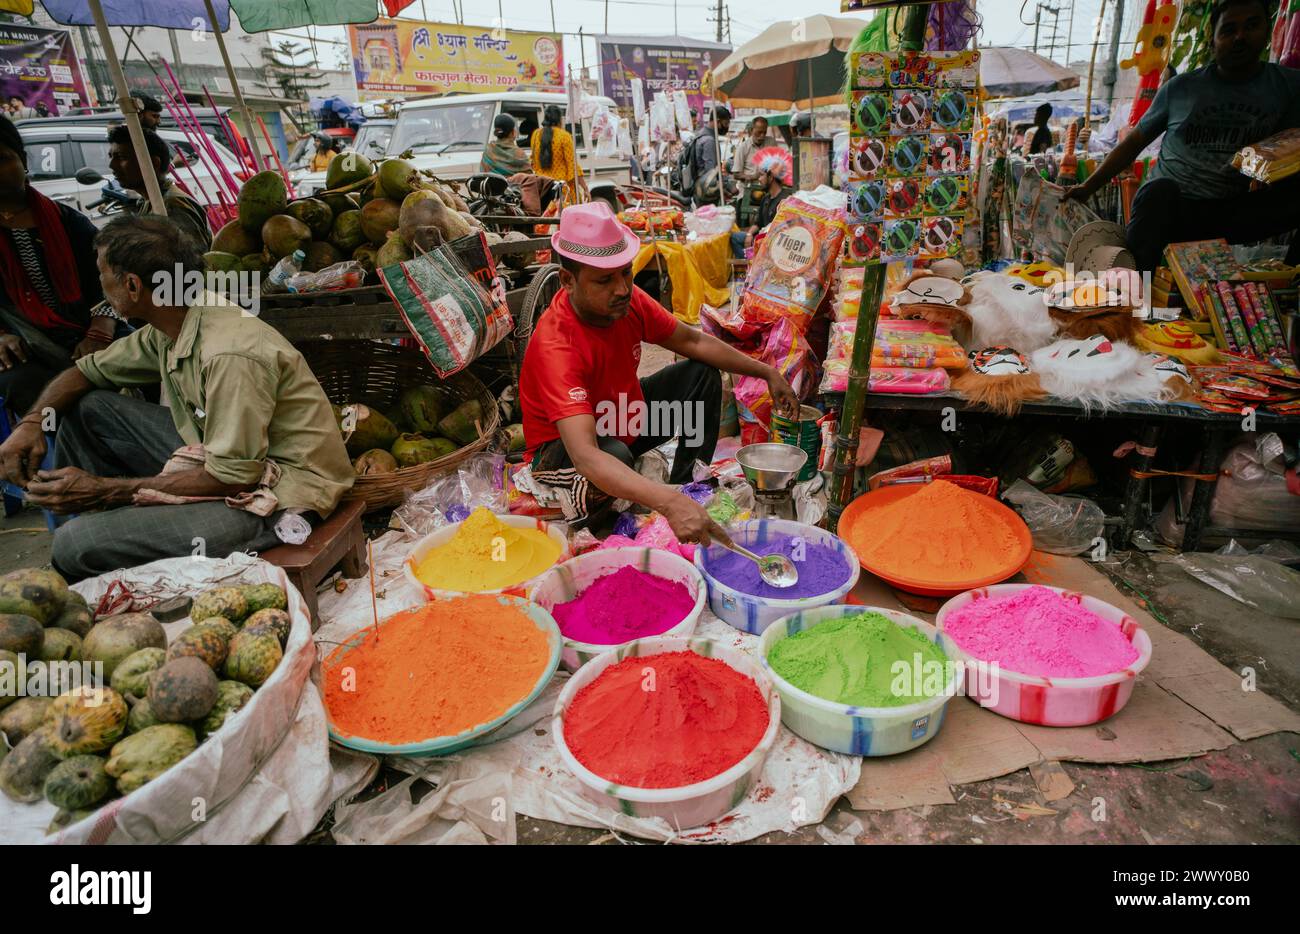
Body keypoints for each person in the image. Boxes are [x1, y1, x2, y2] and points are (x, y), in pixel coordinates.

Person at [0, 216, 354, 582]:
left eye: (102, 273)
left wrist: (107, 491)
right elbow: (88, 371)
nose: (99, 284)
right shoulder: (173, 320)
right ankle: (101, 532)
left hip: (280, 492)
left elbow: (233, 479)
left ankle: (94, 541)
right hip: (228, 459)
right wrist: (30, 425)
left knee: (74, 545)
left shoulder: (229, 352)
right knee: (87, 408)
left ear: (133, 286)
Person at [519, 202, 799, 542]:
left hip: (620, 419)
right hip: (564, 451)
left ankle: (687, 486)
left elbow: (693, 341)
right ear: (568, 281)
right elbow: (587, 455)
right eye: (605, 280)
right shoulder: (556, 345)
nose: (622, 288)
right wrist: (667, 504)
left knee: (701, 374)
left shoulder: (627, 301)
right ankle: (651, 506)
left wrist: (766, 372)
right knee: (612, 457)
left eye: (626, 272)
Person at [1063, 0, 1300, 271]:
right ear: (1213, 42)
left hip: (1232, 208)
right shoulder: (1181, 89)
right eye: (1229, 30)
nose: (1240, 37)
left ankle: (1292, 288)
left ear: (1268, 31)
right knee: (1158, 191)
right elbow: (1133, 143)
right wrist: (1088, 187)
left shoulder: (1287, 87)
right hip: (1174, 207)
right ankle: (1134, 291)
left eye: (1251, 26)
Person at [0, 115, 107, 416]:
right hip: (23, 347)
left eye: (3, 159)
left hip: (88, 331)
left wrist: (100, 329)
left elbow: (112, 283)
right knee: (24, 385)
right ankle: (48, 442)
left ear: (22, 160)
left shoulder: (68, 222)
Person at [108, 124, 212, 251]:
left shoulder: (172, 205)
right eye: (111, 157)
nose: (112, 165)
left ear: (154, 163)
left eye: (122, 158)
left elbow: (192, 262)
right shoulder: (150, 199)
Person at [730, 153, 794, 259]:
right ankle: (748, 267)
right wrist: (749, 235)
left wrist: (759, 239)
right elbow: (758, 223)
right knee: (735, 237)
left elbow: (782, 233)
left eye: (761, 175)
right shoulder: (766, 198)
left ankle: (753, 265)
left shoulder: (784, 201)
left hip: (772, 244)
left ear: (771, 177)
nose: (759, 179)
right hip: (760, 238)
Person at [531, 104, 587, 206]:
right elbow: (573, 166)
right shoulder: (564, 136)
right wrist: (585, 188)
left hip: (542, 189)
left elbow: (533, 161)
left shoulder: (535, 135)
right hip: (562, 191)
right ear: (559, 119)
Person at [687, 105, 731, 203]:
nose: (727, 127)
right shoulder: (709, 141)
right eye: (726, 123)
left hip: (700, 187)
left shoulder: (701, 134)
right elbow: (710, 173)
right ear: (718, 121)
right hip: (706, 192)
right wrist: (724, 189)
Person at [731, 116, 775, 181]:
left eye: (764, 132)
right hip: (748, 187)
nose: (762, 136)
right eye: (759, 132)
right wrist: (752, 177)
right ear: (751, 130)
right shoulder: (743, 148)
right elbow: (736, 174)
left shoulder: (771, 143)